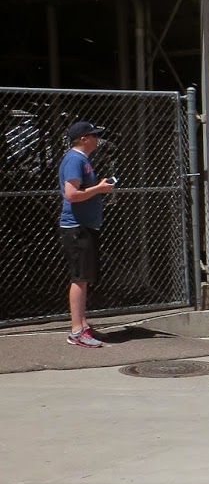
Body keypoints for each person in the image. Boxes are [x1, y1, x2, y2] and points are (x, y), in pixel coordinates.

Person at [57, 119, 116, 348]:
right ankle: (76, 331)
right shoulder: (74, 159)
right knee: (79, 278)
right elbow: (71, 194)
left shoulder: (82, 160)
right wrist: (99, 189)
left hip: (85, 226)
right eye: (94, 135)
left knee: (84, 277)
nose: (97, 139)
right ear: (83, 138)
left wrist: (98, 188)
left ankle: (82, 325)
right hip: (77, 227)